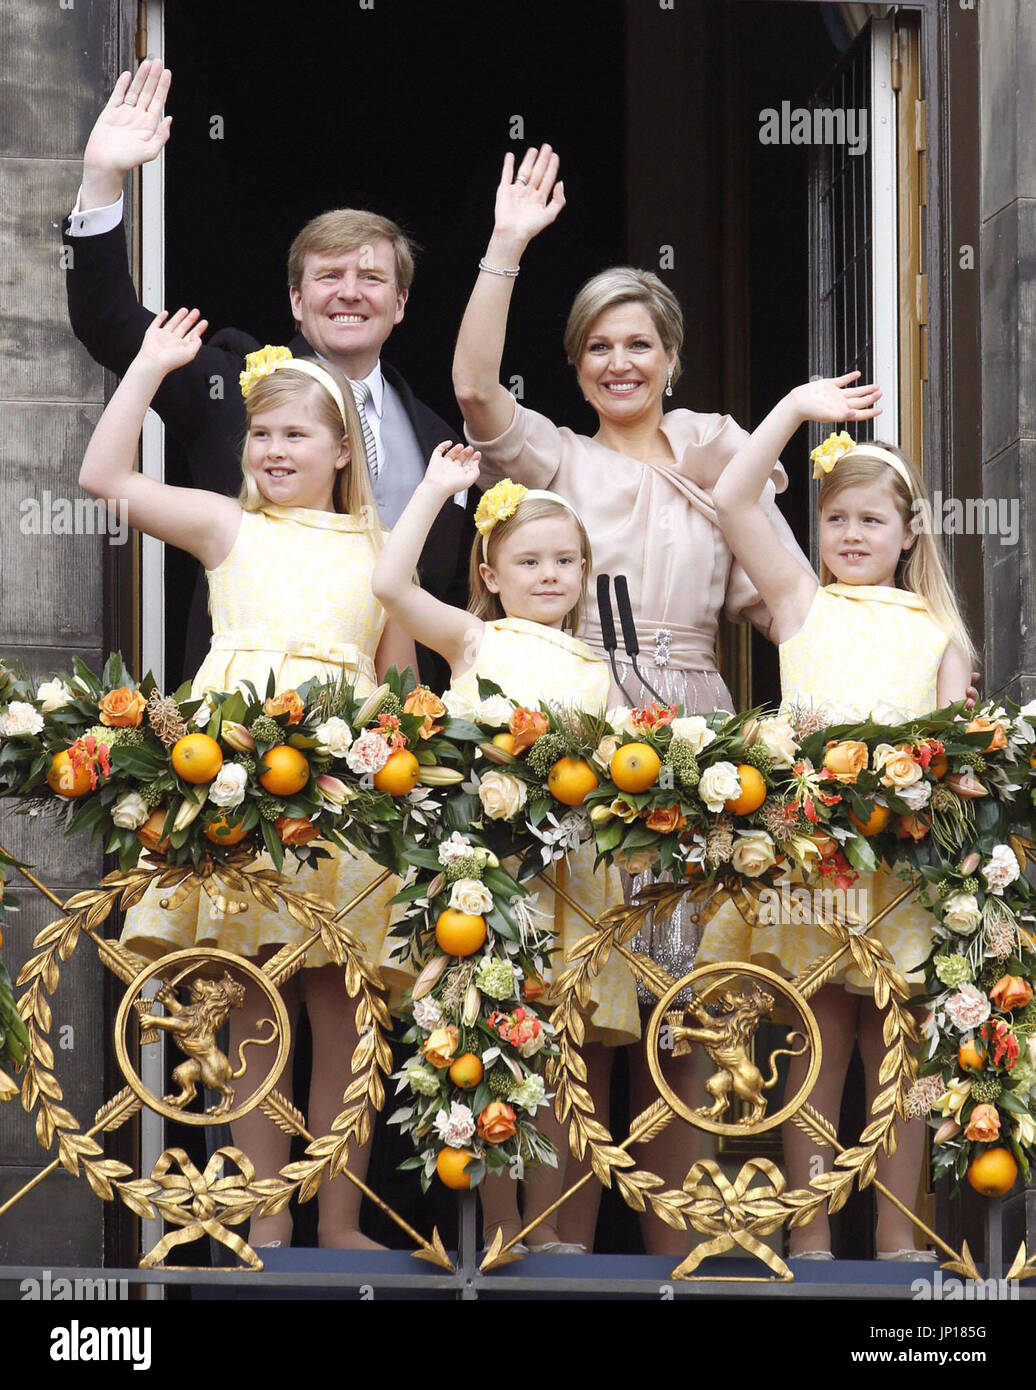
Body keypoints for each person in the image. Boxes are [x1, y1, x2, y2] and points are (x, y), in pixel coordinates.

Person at [451, 143, 813, 1255]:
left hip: (701, 729)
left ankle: (678, 1247)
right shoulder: (555, 459)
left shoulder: (719, 456)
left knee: (688, 996)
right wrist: (507, 245)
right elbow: (472, 390)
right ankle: (560, 1246)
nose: (620, 362)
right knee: (582, 993)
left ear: (671, 356)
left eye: (639, 344)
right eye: (599, 347)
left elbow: (793, 606)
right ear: (575, 365)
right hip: (579, 732)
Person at [78, 308, 417, 1250]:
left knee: (343, 1004)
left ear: (342, 448)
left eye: (295, 433)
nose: (273, 447)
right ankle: (266, 1222)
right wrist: (146, 367)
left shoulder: (382, 553)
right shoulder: (228, 525)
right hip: (240, 792)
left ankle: (341, 1222)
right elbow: (103, 477)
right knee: (256, 997)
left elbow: (402, 691)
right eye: (260, 432)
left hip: (346, 801)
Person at [65, 60, 469, 688]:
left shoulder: (441, 440)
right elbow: (111, 321)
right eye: (329, 276)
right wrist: (102, 179)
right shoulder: (232, 387)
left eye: (371, 279)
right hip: (234, 746)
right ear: (295, 301)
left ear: (401, 303)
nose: (350, 293)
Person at [696, 373, 974, 1261]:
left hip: (905, 874)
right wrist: (794, 413)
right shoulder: (799, 602)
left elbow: (957, 759)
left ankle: (900, 1238)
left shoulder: (940, 632)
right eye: (837, 519)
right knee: (815, 1047)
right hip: (814, 866)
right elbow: (733, 494)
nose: (852, 535)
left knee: (904, 1056)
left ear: (908, 533)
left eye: (872, 520)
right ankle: (809, 1236)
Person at [372, 452, 638, 1253]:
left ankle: (562, 1237)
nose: (549, 575)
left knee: (562, 1050)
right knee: (483, 1038)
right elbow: (389, 587)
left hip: (574, 880)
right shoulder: (475, 637)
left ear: (587, 569)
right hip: (483, 884)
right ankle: (495, 1228)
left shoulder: (602, 668)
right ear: (489, 569)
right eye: (529, 560)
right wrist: (432, 491)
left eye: (565, 561)